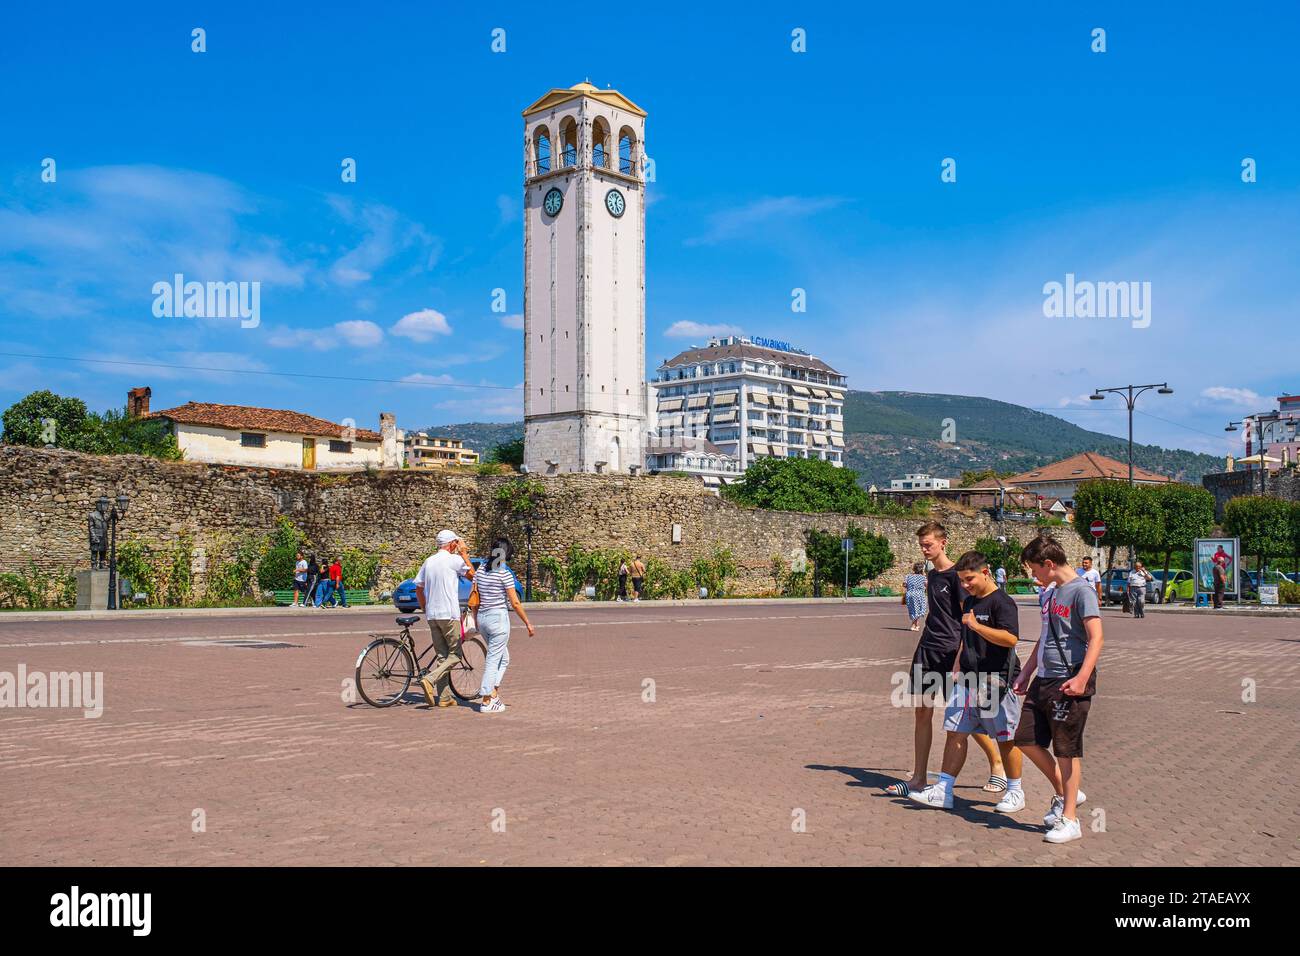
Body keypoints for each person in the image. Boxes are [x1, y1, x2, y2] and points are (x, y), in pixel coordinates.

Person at [884, 521, 1008, 797]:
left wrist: (961, 656)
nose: (924, 549)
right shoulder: (932, 575)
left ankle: (998, 765)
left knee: (964, 717)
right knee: (921, 710)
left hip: (952, 651)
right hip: (928, 647)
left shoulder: (957, 577)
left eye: (928, 544)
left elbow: (967, 620)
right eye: (921, 545)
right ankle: (918, 778)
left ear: (943, 543)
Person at [909, 551, 1025, 813]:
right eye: (961, 580)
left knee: (1006, 738)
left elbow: (1011, 639)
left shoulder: (1002, 603)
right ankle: (944, 790)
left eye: (969, 579)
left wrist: (977, 626)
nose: (964, 586)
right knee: (955, 732)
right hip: (968, 679)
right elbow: (966, 639)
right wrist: (958, 665)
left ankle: (1015, 791)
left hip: (997, 680)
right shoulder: (971, 602)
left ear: (985, 573)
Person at [1013, 534, 1103, 844]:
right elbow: (1045, 636)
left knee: (1066, 750)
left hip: (1070, 679)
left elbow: (1097, 638)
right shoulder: (1052, 594)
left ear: (1049, 564)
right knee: (1024, 738)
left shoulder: (1082, 592)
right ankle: (1068, 794)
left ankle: (1070, 819)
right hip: (1044, 679)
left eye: (1034, 570)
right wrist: (1027, 671)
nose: (1033, 576)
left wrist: (1081, 678)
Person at [471, 536, 536, 713]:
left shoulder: (480, 571)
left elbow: (474, 599)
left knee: (503, 658)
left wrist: (476, 620)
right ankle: (486, 701)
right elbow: (515, 603)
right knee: (493, 660)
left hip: (483, 618)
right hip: (497, 619)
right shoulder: (504, 573)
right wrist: (528, 623)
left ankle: (493, 692)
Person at [414, 530, 475, 709]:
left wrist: (425, 607)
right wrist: (464, 553)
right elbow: (473, 575)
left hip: (432, 615)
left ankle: (445, 697)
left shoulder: (429, 561)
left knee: (442, 655)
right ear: (451, 544)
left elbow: (419, 588)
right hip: (449, 614)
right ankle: (430, 679)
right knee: (455, 654)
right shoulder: (454, 560)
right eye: (456, 543)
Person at [902, 562, 928, 631]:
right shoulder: (923, 577)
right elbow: (927, 585)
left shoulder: (908, 576)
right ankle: (914, 625)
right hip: (919, 594)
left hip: (909, 594)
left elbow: (904, 584)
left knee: (912, 610)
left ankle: (916, 624)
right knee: (919, 610)